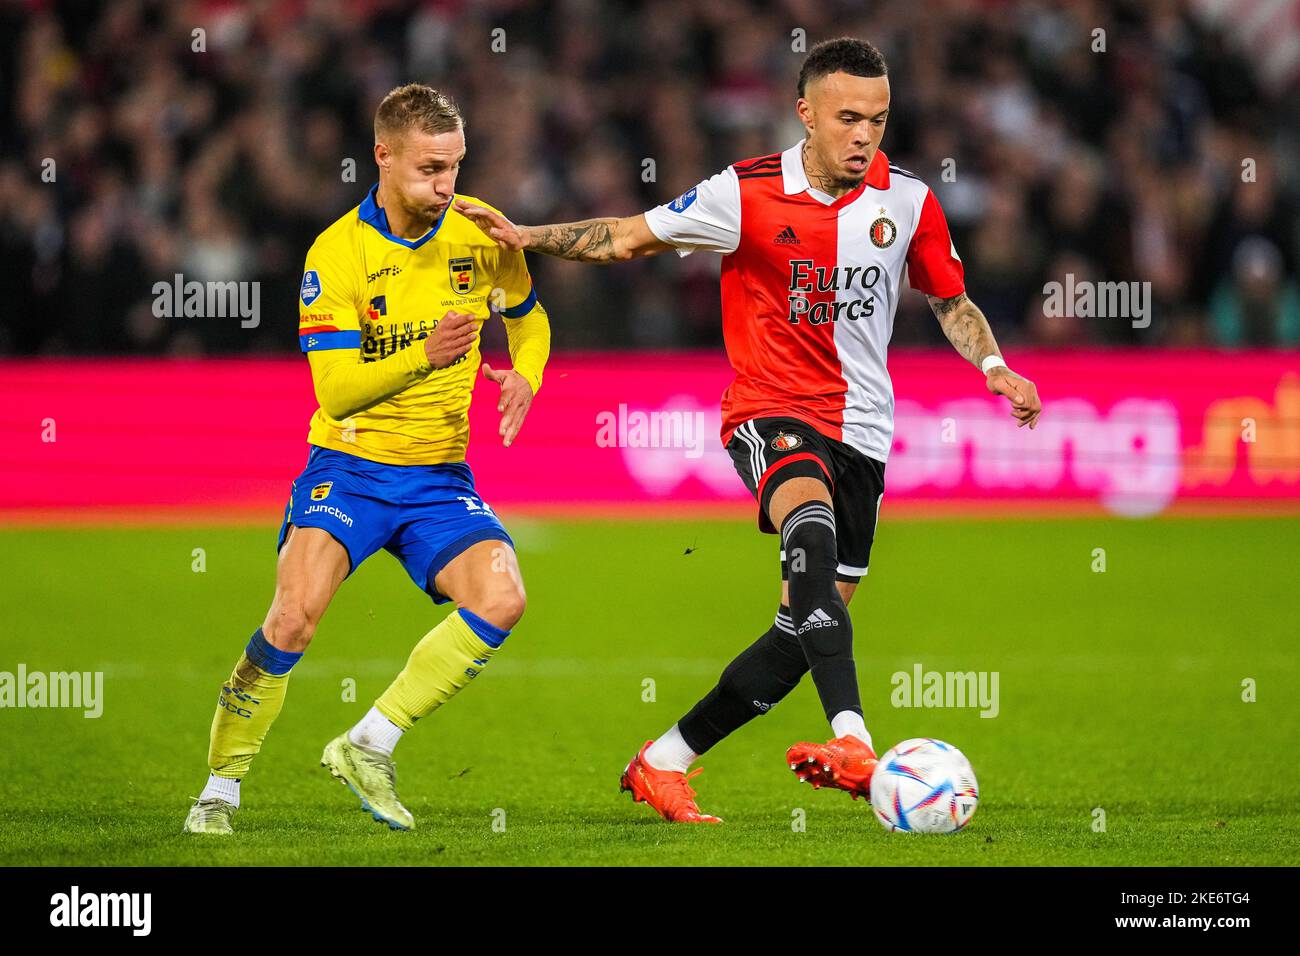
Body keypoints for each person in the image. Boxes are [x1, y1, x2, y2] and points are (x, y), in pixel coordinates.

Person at [456, 38, 1040, 822]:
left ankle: (662, 761)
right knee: (810, 526)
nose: (864, 135)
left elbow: (949, 299)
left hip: (865, 434)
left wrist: (995, 365)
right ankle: (854, 740)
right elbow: (630, 235)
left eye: (877, 118)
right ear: (806, 113)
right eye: (847, 118)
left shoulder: (908, 201)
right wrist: (530, 238)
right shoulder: (744, 193)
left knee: (801, 630)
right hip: (771, 410)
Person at [184, 84, 550, 833]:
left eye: (455, 166)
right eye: (428, 169)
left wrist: (525, 374)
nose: (447, 186)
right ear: (383, 156)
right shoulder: (337, 253)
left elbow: (529, 317)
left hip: (440, 476)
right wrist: (425, 355)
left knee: (504, 596)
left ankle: (368, 741)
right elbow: (337, 390)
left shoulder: (481, 233)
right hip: (348, 469)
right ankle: (219, 788)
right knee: (291, 620)